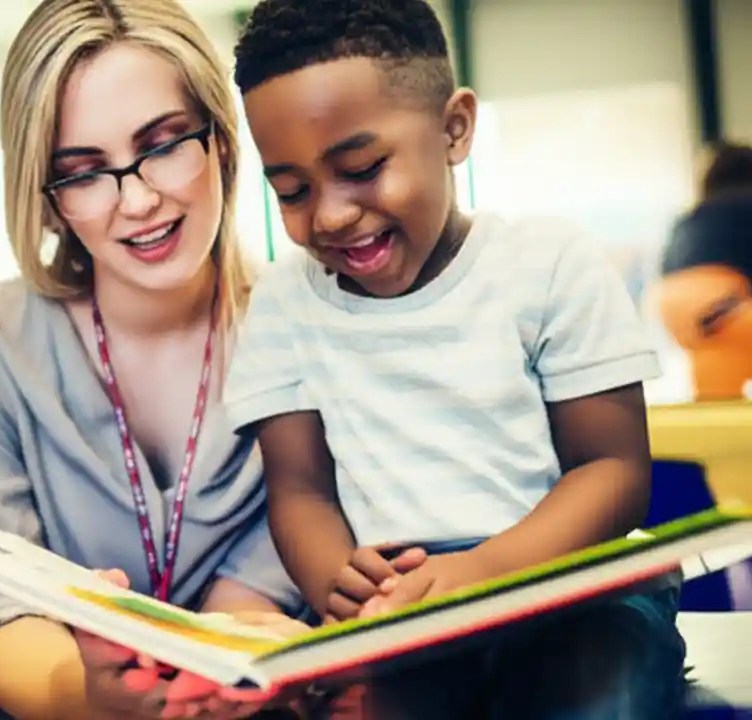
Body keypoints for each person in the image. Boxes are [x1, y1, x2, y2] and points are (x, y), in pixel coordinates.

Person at [221, 0, 689, 717]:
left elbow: (614, 471)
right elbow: (300, 490)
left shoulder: (548, 265)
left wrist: (483, 571)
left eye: (363, 167)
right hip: (407, 605)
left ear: (454, 129)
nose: (331, 215)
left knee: (602, 697)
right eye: (292, 190)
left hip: (572, 590)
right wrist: (333, 581)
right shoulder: (285, 304)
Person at [0, 1, 318, 718]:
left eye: (166, 143)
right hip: (40, 689)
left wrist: (222, 664)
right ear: (47, 201)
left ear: (221, 141)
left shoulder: (316, 324)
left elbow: (273, 583)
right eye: (83, 173)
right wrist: (94, 700)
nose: (138, 199)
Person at [658, 141, 752, 400]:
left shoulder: (690, 218)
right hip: (724, 303)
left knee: (721, 365)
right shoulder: (746, 206)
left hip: (673, 310)